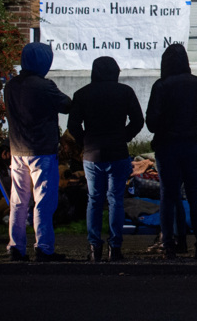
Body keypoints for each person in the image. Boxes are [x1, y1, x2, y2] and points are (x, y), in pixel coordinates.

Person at [67, 56, 144, 262]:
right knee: (115, 200)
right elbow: (138, 120)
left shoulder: (82, 94)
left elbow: (73, 125)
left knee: (94, 199)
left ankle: (94, 247)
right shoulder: (125, 92)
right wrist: (125, 136)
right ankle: (115, 247)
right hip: (118, 151)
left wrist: (85, 140)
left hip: (92, 153)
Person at [145, 43, 197, 260]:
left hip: (167, 146)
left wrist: (165, 128)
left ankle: (168, 245)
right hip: (192, 144)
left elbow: (151, 123)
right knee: (194, 195)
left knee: (167, 196)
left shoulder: (161, 86)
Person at [4, 42, 71, 262]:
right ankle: (43, 247)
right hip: (41, 150)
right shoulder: (45, 86)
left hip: (17, 148)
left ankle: (16, 246)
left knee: (18, 200)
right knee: (43, 200)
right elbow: (67, 105)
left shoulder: (11, 86)